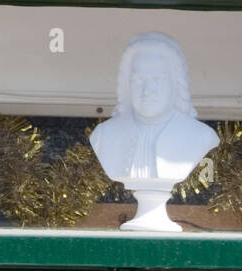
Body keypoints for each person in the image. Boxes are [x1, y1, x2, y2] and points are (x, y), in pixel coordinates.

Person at [89, 32, 218, 231]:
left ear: (175, 85)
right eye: (139, 79)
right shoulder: (104, 135)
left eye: (158, 78)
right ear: (127, 84)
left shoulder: (199, 136)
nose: (148, 89)